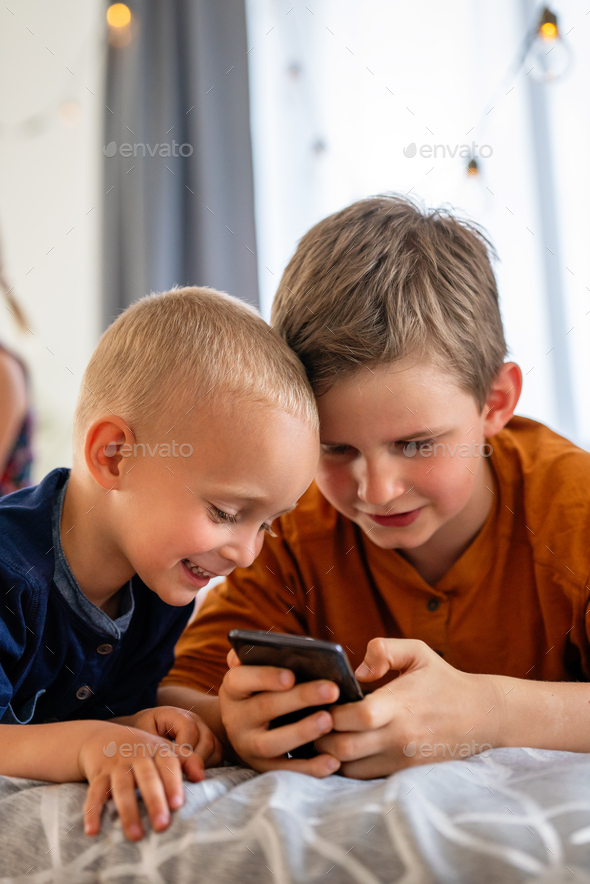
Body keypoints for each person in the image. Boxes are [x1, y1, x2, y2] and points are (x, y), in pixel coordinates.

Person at [160, 196, 590, 780]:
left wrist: (490, 713)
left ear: (495, 403)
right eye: (335, 448)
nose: (378, 491)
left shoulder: (575, 511)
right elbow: (179, 690)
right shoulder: (285, 529)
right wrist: (230, 722)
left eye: (415, 444)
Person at [0, 286, 319, 839]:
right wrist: (90, 745)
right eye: (224, 512)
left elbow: (99, 710)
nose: (245, 553)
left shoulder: (157, 586)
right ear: (115, 456)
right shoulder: (10, 572)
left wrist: (143, 725)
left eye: (266, 524)